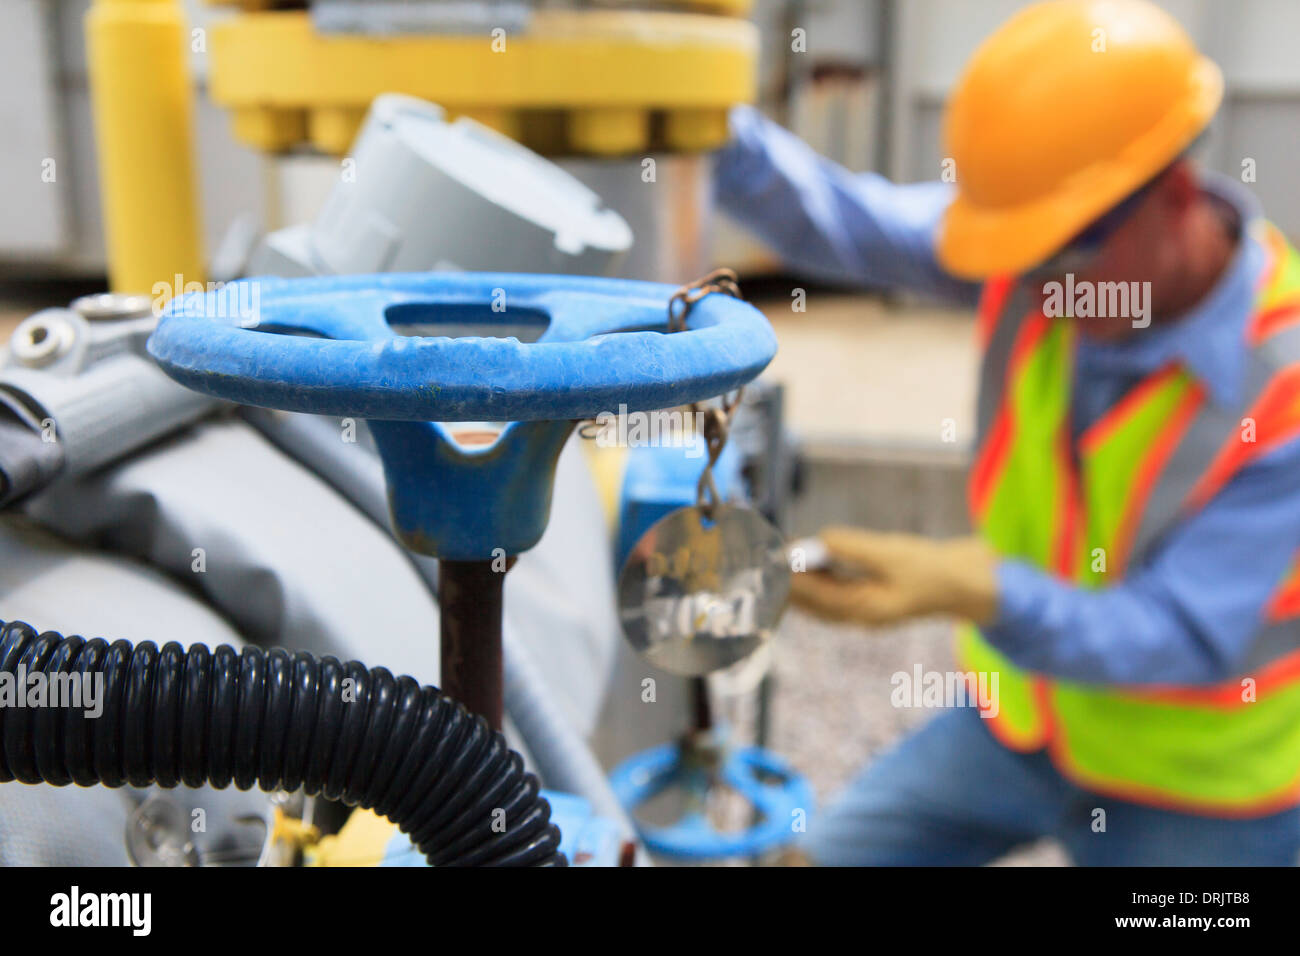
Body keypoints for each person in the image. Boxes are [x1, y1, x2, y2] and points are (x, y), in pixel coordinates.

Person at [715, 0, 1300, 865]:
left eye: (1064, 258)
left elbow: (1175, 632)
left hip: (1201, 793)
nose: (1040, 289)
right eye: (1022, 259)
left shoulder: (1282, 386)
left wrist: (981, 589)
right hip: (1024, 725)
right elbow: (841, 220)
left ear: (1175, 194)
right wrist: (693, 105)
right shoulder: (1044, 259)